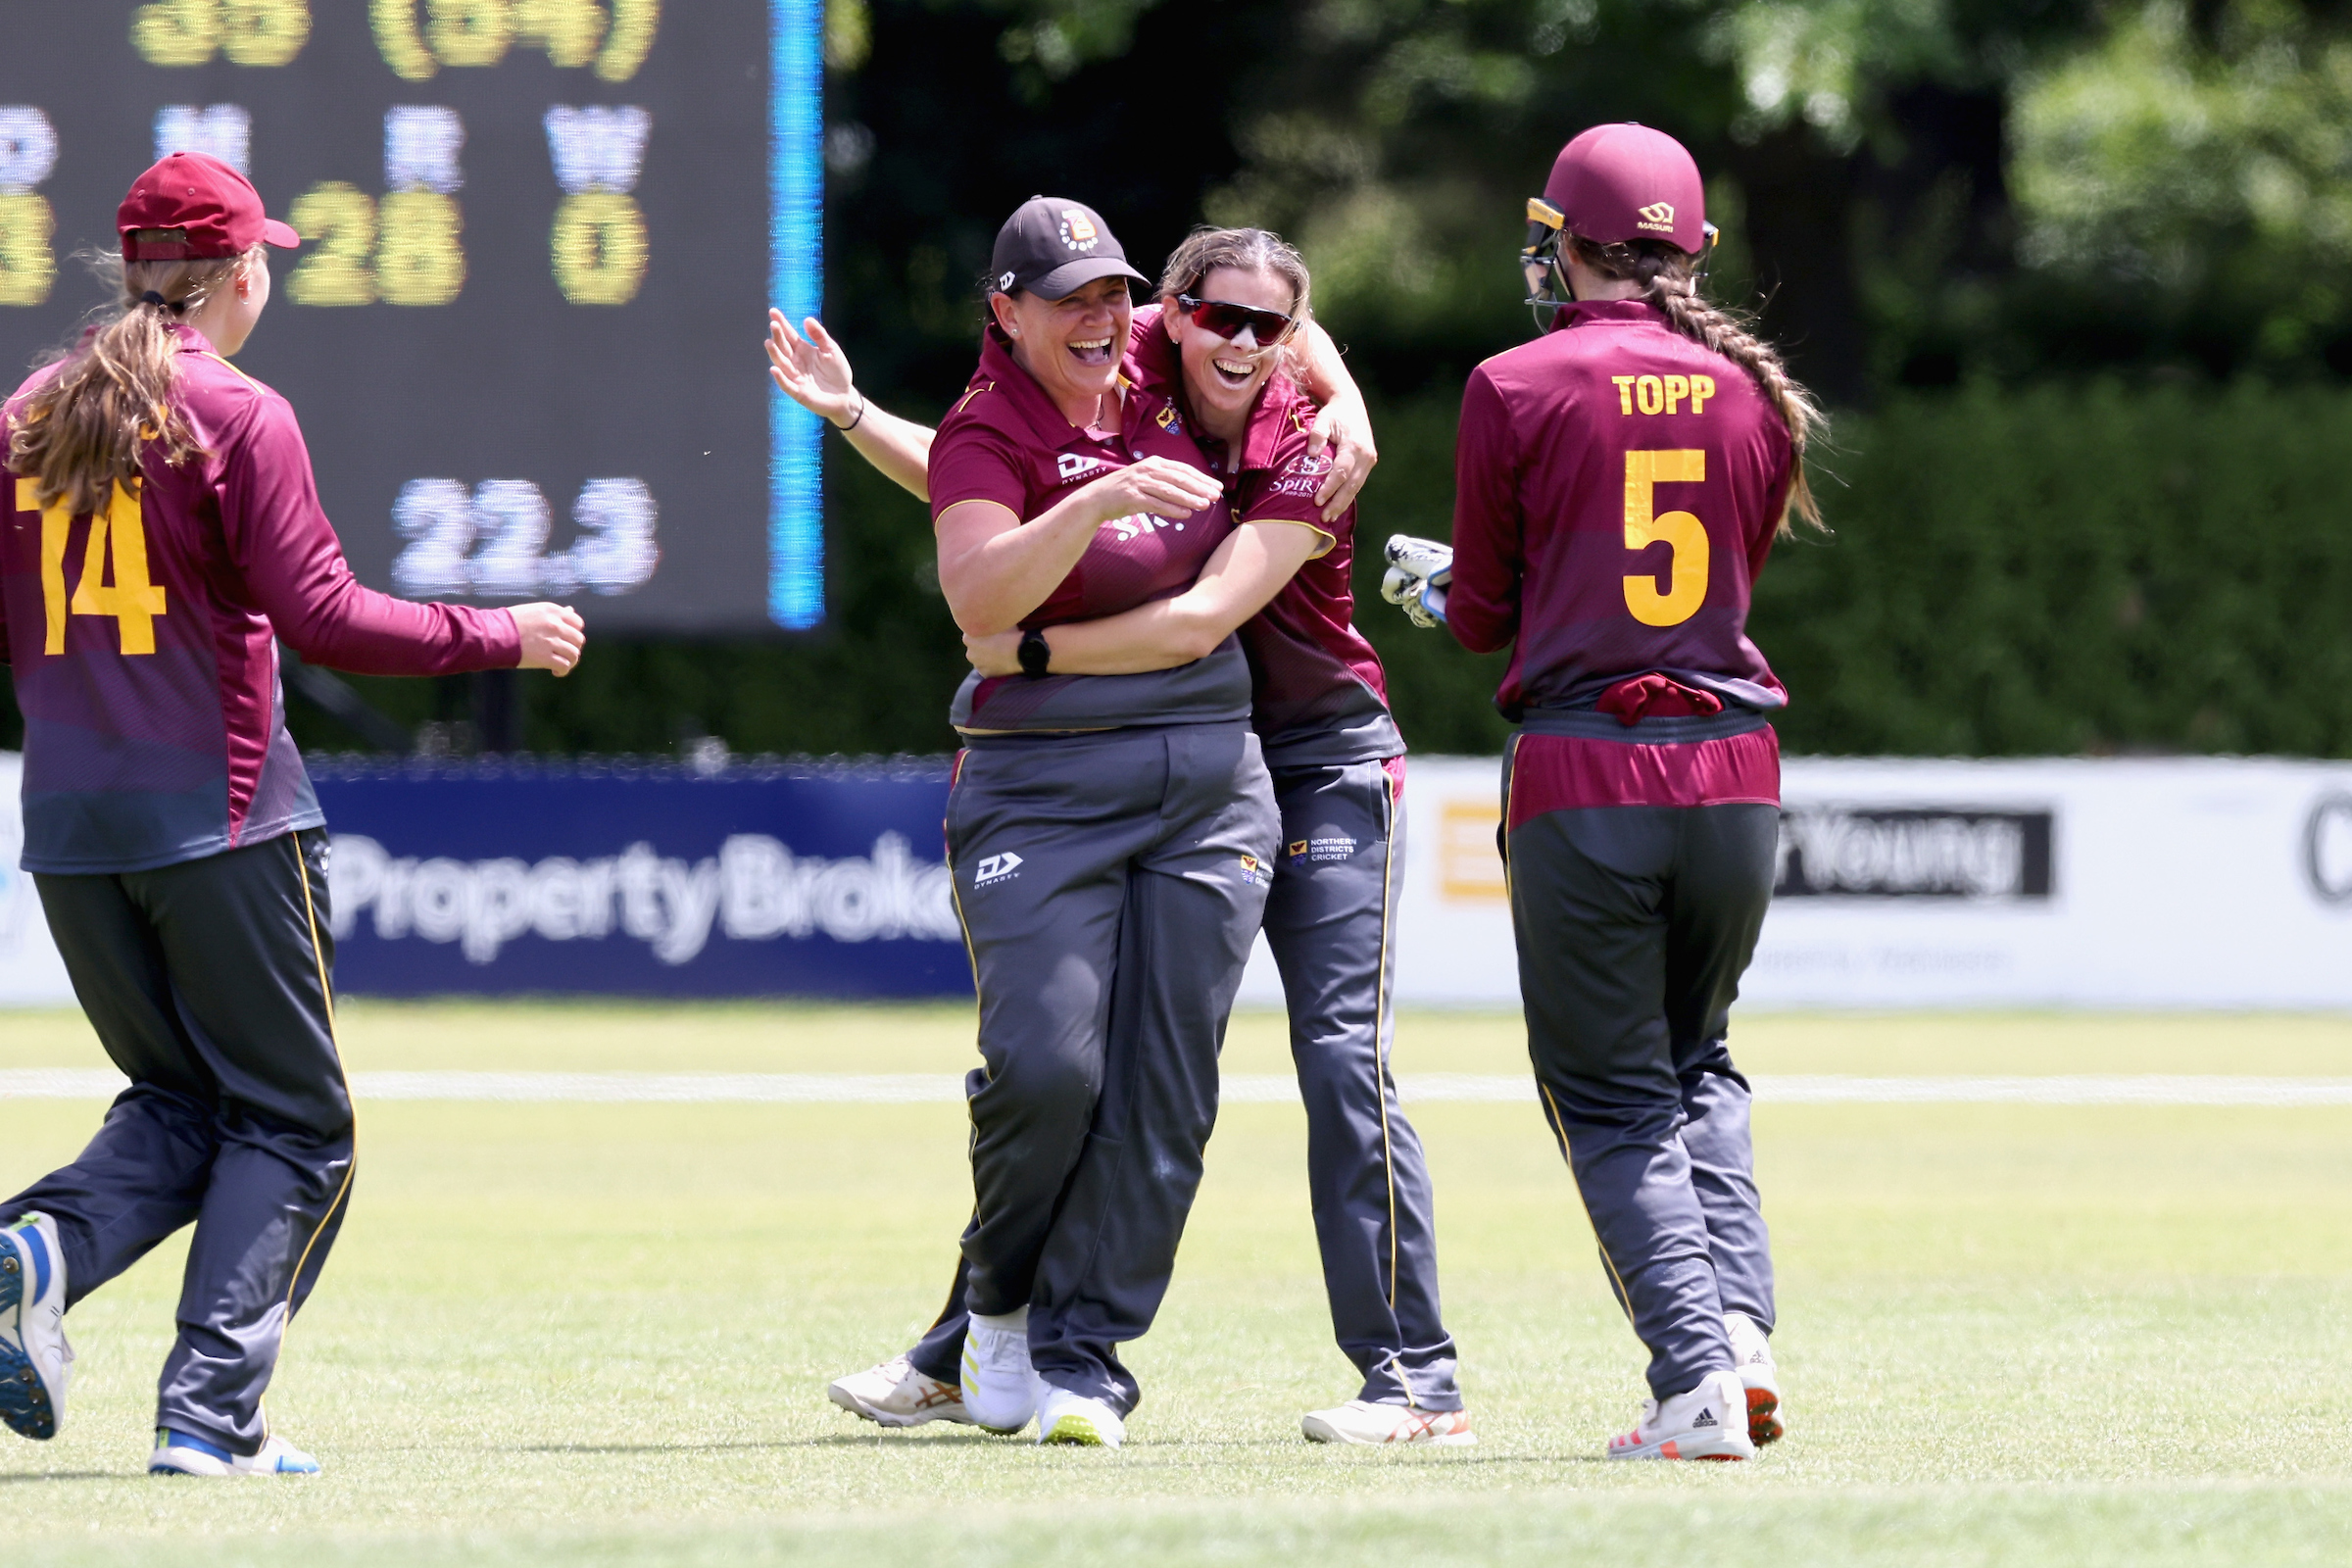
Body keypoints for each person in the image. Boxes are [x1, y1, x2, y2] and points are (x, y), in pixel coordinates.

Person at [772, 228, 1475, 1446]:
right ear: (1179, 315)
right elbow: (992, 494)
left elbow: (1196, 620)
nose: (1242, 344)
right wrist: (853, 419)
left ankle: (1414, 1378)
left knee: (1333, 1063)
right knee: (1076, 1071)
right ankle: (975, 1343)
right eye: (1220, 320)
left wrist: (1020, 653)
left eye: (1273, 331)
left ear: (1299, 347)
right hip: (1199, 744)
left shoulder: (1306, 438)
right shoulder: (1132, 356)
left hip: (1317, 754)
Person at [0, 152, 585, 1477]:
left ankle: (35, 1249)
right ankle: (210, 1417)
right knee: (301, 1128)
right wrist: (501, 630)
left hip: (72, 830)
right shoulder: (239, 412)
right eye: (264, 256)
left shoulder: (27, 414)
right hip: (222, 819)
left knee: (181, 1101)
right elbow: (325, 616)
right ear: (237, 273)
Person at [798, 195, 1280, 1449]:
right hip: (1042, 786)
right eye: (1071, 298)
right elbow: (977, 589)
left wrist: (1349, 413)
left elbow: (1285, 320)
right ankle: (993, 1310)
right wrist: (1094, 503)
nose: (1104, 318)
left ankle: (1082, 1359)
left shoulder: (1164, 365)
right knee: (1052, 1069)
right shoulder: (986, 423)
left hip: (1206, 781)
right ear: (1004, 312)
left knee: (1166, 1091)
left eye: (1116, 294)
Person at [1381, 122, 1823, 1461]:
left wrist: (1438, 584)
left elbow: (1492, 622)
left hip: (1589, 768)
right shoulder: (1755, 393)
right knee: (1701, 1065)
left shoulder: (1514, 383)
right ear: (1694, 251)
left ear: (1564, 241)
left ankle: (1696, 1382)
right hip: (1736, 769)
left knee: (1614, 1092)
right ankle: (1739, 1339)